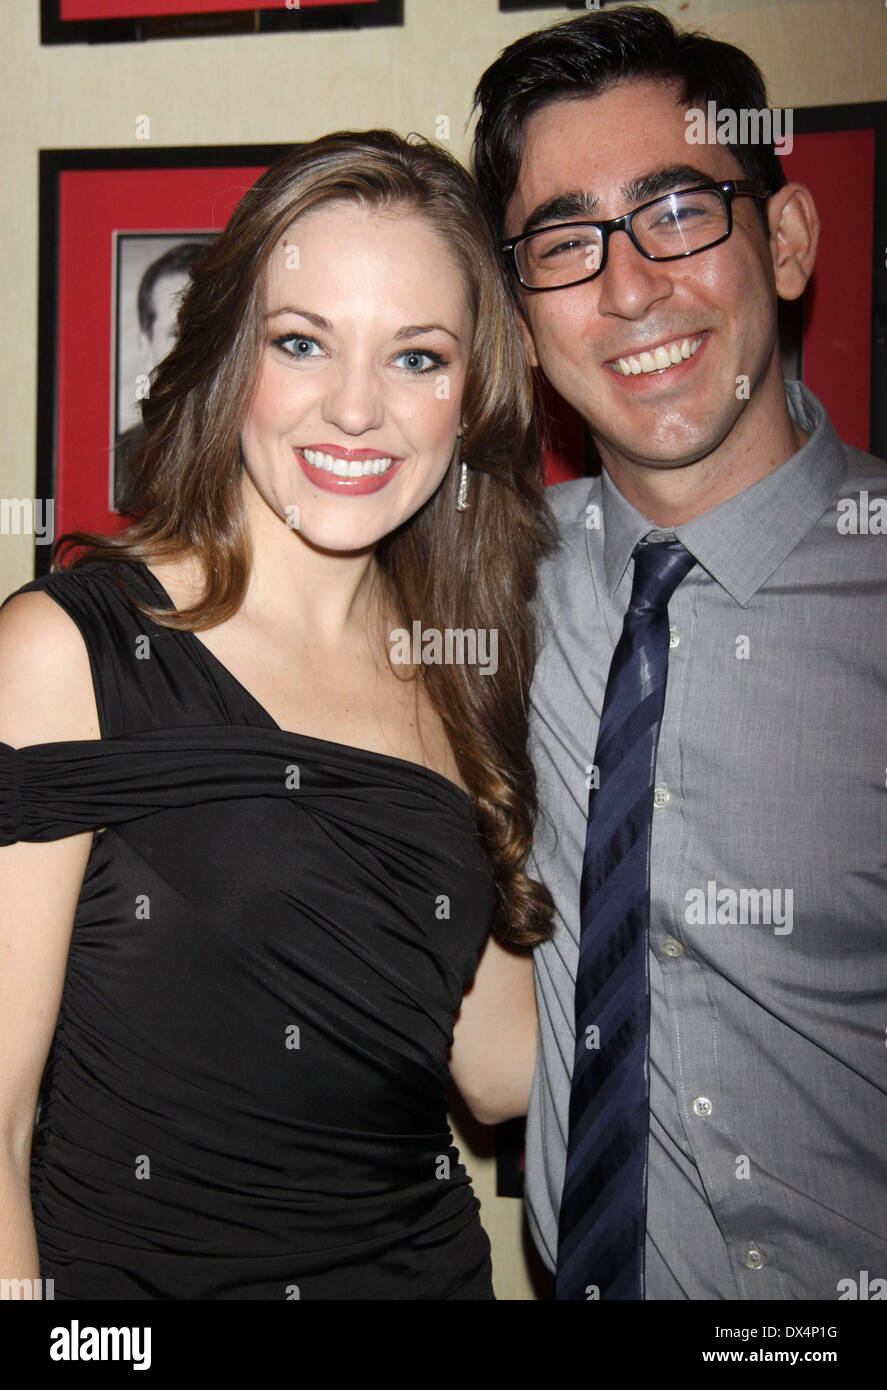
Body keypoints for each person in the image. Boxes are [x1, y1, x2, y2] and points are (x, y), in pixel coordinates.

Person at [0, 130, 555, 1301]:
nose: (355, 410)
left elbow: (502, 1073)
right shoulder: (69, 651)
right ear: (226, 362)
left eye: (416, 358)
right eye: (302, 343)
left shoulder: (456, 673)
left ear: (471, 398)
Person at [473, 6, 887, 1300]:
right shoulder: (480, 585)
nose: (627, 285)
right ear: (520, 316)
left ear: (784, 239)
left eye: (677, 211)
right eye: (563, 242)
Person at [115, 240, 212, 512]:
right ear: (146, 347)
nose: (195, 349)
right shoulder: (121, 462)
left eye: (207, 331)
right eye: (176, 335)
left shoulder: (267, 456)